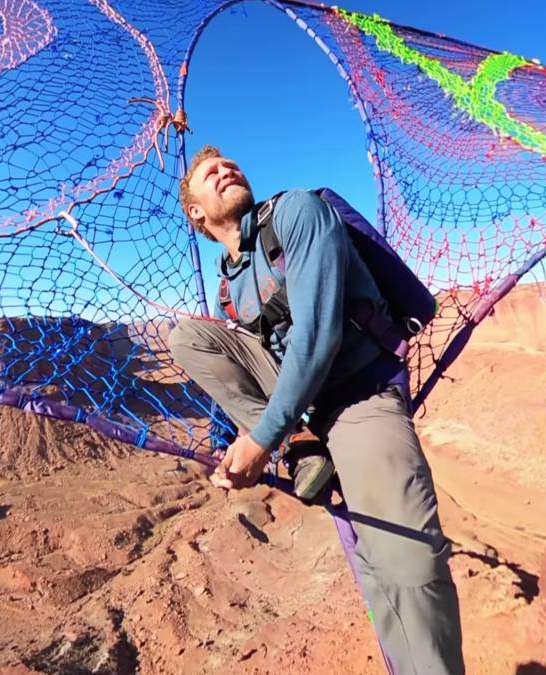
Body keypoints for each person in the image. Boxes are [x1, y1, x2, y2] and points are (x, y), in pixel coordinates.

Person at [167, 145, 465, 674]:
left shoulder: (297, 212)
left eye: (230, 163)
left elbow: (317, 335)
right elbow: (239, 374)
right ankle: (300, 447)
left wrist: (261, 440)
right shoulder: (228, 288)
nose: (226, 169)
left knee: (406, 564)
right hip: (303, 414)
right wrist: (242, 444)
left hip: (359, 393)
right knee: (187, 337)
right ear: (196, 212)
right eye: (210, 172)